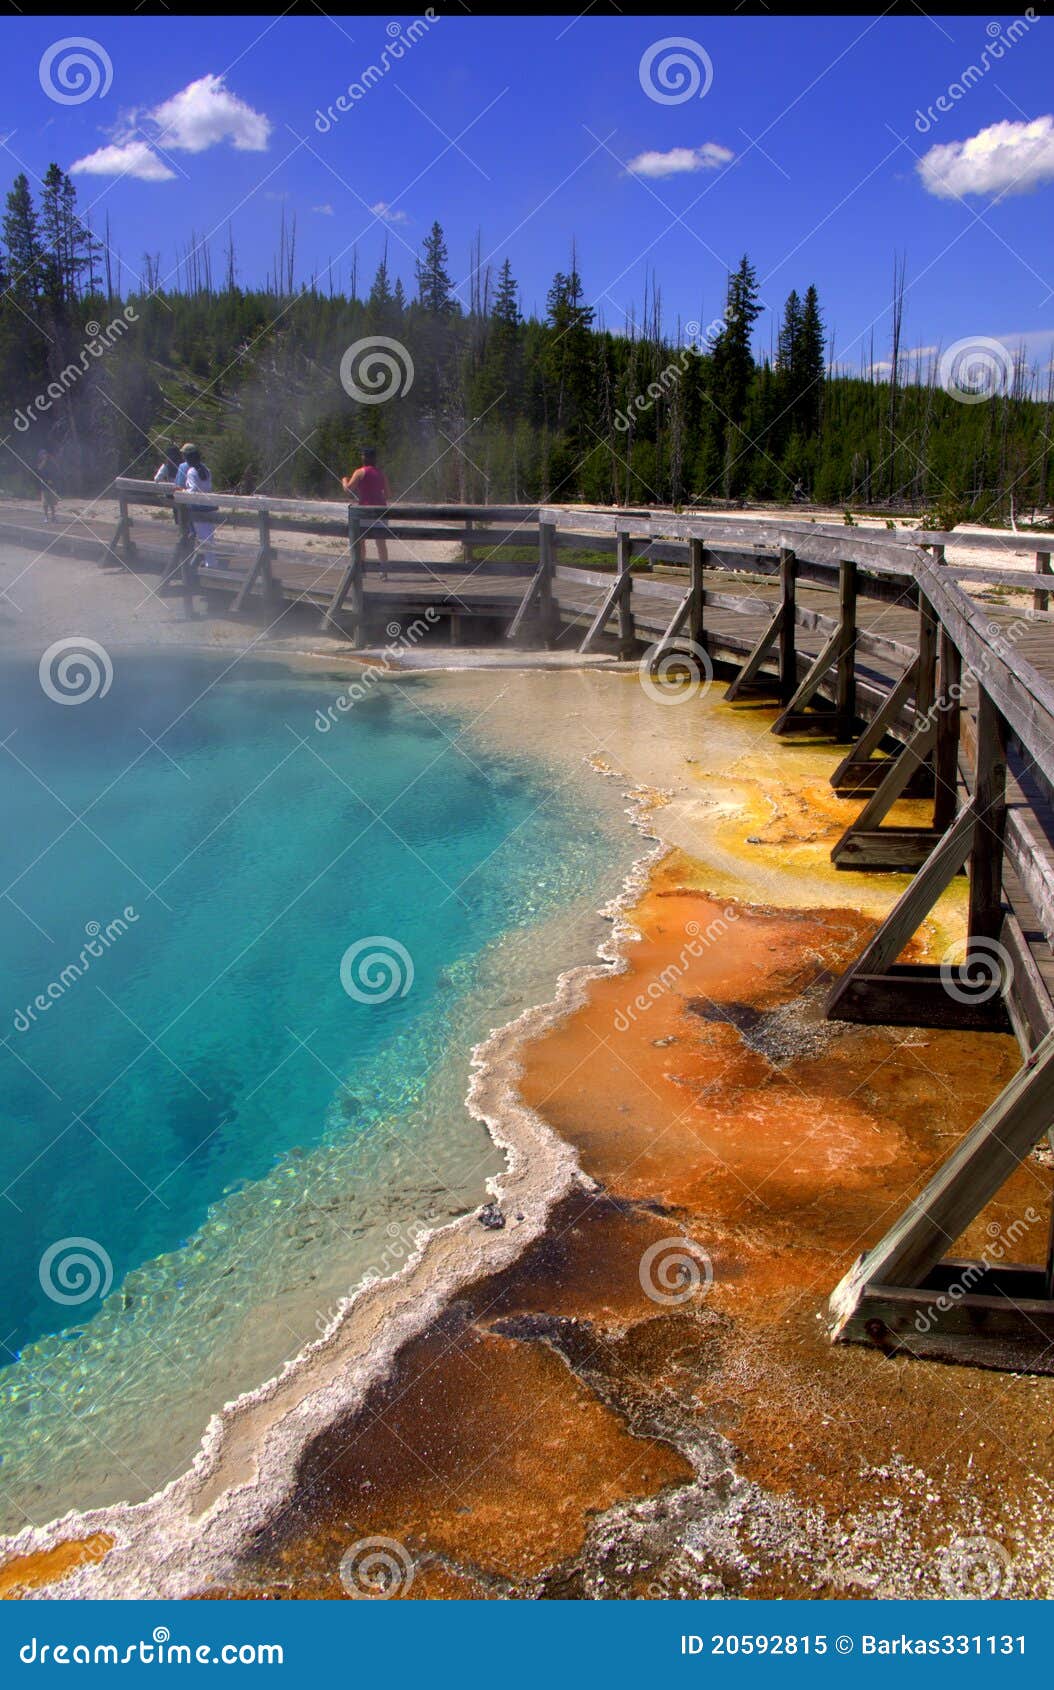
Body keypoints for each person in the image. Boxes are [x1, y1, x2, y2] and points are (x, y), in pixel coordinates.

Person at [342, 446, 391, 580]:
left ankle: (362, 570)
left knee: (360, 542)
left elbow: (348, 490)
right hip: (380, 511)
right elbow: (388, 494)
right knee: (381, 543)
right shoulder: (381, 474)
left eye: (362, 455)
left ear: (364, 457)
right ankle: (383, 572)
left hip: (365, 511)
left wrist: (344, 480)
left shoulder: (359, 472)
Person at [180, 443, 219, 569]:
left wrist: (182, 491)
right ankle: (210, 560)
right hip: (209, 506)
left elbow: (193, 490)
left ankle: (210, 563)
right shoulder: (206, 469)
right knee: (209, 534)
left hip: (198, 508)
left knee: (203, 535)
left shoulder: (191, 471)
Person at [37, 449, 57, 524]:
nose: (45, 455)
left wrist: (51, 459)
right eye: (43, 454)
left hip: (52, 485)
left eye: (45, 454)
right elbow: (39, 469)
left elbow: (56, 468)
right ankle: (46, 517)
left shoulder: (51, 462)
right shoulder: (40, 462)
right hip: (44, 486)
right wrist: (44, 460)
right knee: (45, 503)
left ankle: (53, 517)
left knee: (52, 503)